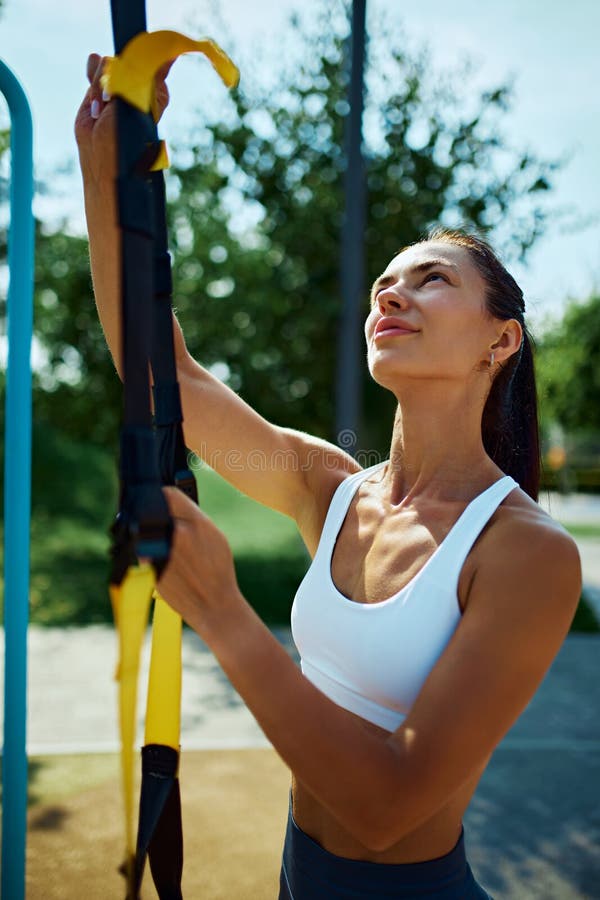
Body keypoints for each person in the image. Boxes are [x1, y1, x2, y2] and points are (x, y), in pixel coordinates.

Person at [76, 56, 582, 900]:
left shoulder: (526, 552)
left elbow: (387, 805)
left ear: (501, 342)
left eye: (432, 281)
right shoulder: (331, 488)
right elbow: (163, 372)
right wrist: (109, 172)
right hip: (296, 878)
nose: (393, 294)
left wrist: (221, 611)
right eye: (386, 283)